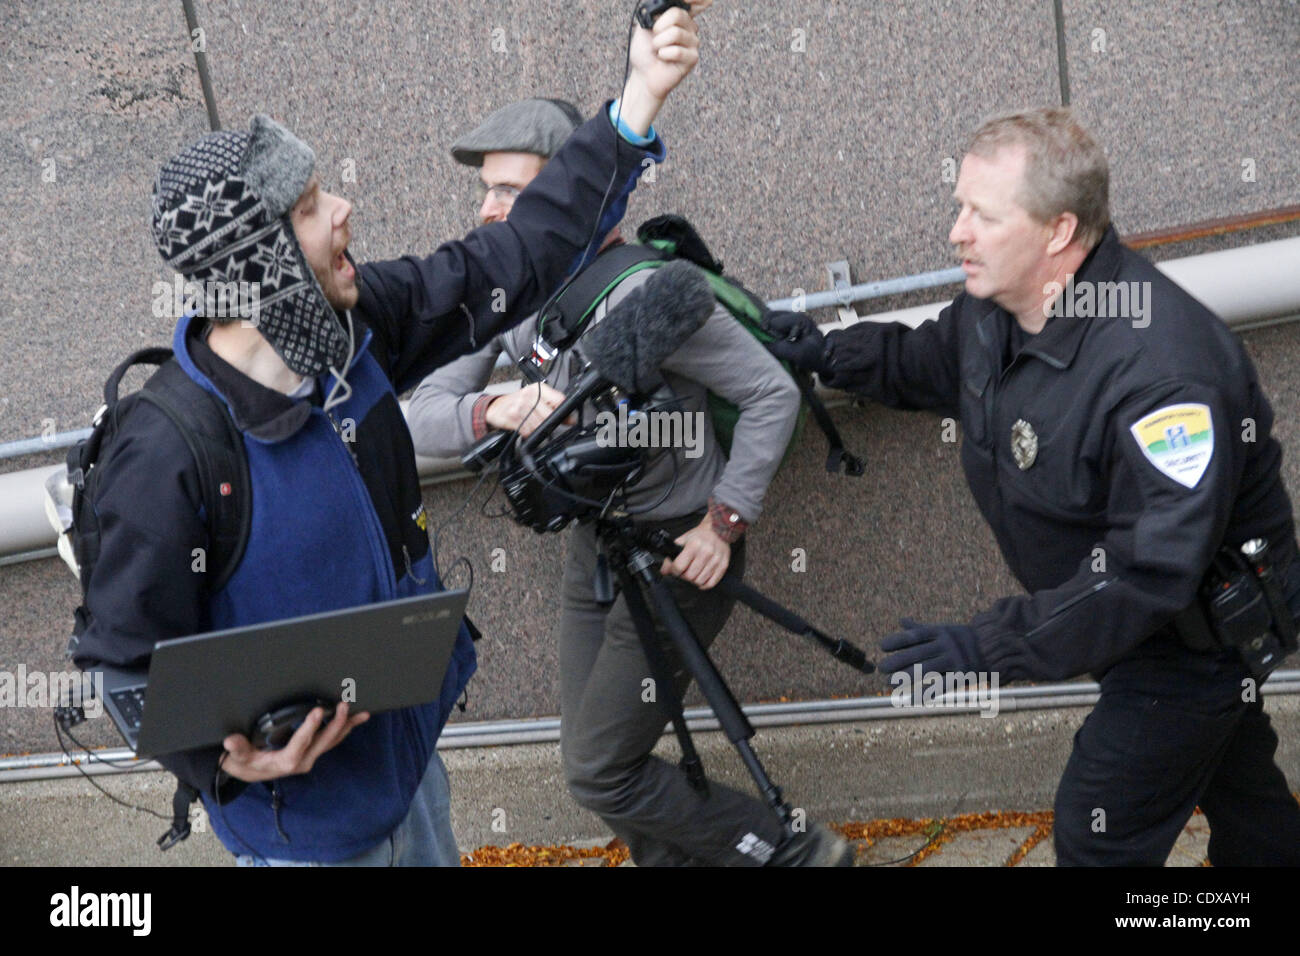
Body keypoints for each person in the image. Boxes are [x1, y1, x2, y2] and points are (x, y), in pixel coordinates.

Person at [69, 5, 706, 866]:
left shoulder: (358, 325)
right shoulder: (168, 450)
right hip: (310, 834)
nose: (343, 208)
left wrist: (637, 100)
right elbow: (125, 669)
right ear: (258, 264)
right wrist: (227, 767)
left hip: (411, 774)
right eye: (306, 206)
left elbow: (512, 259)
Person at [767, 107, 1300, 866]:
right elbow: (931, 362)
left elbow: (1146, 571)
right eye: (959, 206)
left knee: (1098, 833)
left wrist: (989, 647)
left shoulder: (1161, 372)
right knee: (1244, 799)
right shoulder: (999, 308)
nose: (957, 231)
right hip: (1117, 623)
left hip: (1194, 638)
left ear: (1057, 231)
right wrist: (825, 353)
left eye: (982, 214)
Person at [405, 98, 852, 866]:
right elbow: (418, 418)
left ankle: (793, 851)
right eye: (485, 189)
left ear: (569, 192)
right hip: (597, 550)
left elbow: (770, 394)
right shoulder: (507, 293)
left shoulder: (647, 293)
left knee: (599, 767)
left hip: (681, 556)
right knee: (600, 763)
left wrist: (725, 523)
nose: (486, 209)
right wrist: (495, 406)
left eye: (508, 191)